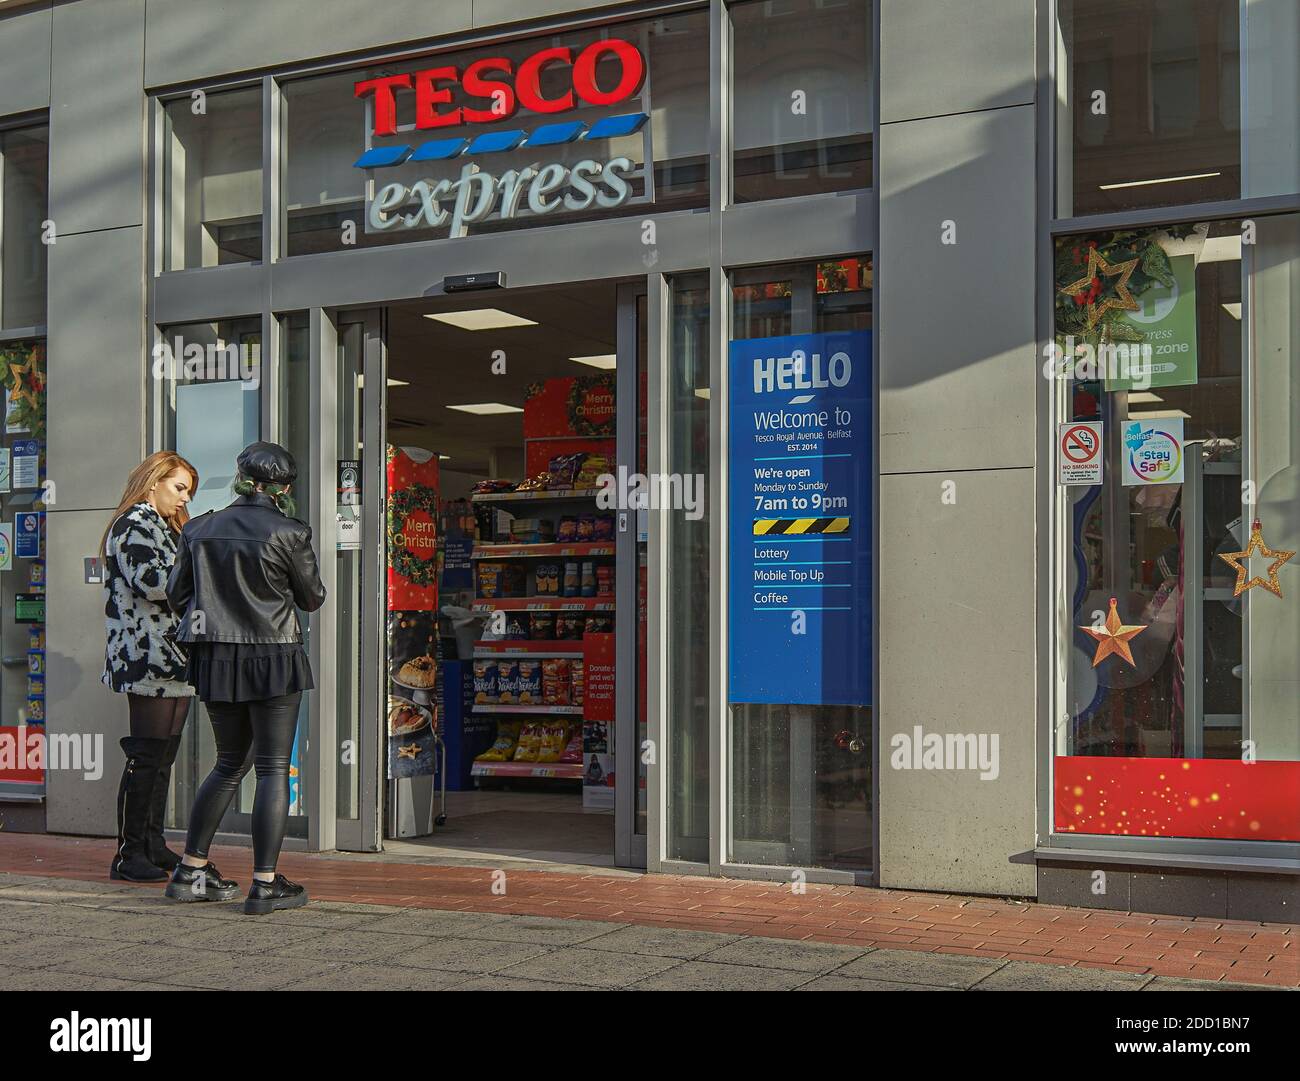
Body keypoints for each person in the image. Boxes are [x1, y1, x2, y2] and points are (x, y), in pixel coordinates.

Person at [164, 441, 326, 914]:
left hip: (216, 658)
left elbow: (178, 597)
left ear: (238, 478)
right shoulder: (290, 532)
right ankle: (265, 884)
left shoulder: (198, 529)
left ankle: (190, 871)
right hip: (274, 656)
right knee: (272, 768)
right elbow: (312, 597)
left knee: (228, 763)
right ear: (285, 488)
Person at [102, 452, 200, 882]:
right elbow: (155, 582)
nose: (184, 499)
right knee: (146, 755)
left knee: (162, 757)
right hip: (144, 655)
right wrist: (201, 565)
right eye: (179, 488)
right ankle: (129, 854)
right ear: (153, 482)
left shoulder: (164, 526)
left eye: (188, 492)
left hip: (171, 654)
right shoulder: (133, 524)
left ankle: (152, 843)